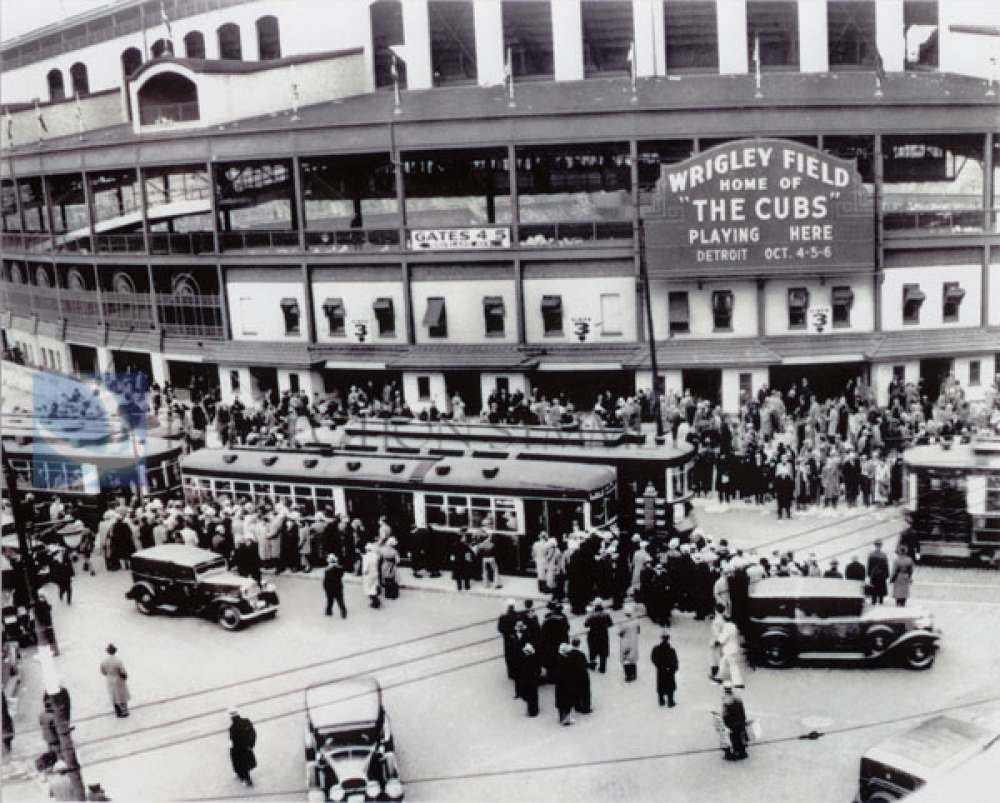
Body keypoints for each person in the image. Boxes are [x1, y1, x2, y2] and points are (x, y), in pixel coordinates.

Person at [228, 708, 257, 787]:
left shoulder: (232, 728)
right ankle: (245, 777)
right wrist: (251, 744)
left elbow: (232, 739)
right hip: (246, 747)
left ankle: (246, 779)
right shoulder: (246, 722)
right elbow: (253, 733)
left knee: (241, 765)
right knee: (247, 764)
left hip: (239, 750)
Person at [99, 644, 130, 718]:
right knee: (121, 695)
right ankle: (124, 711)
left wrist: (109, 675)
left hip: (110, 680)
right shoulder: (118, 661)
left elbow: (103, 672)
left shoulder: (104, 661)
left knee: (114, 695)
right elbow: (122, 671)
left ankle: (117, 711)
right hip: (119, 680)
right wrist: (125, 677)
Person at [713, 613, 743, 688]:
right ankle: (718, 678)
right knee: (723, 663)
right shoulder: (733, 626)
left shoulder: (727, 627)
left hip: (729, 650)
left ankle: (738, 683)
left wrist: (717, 642)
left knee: (733, 666)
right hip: (733, 648)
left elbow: (723, 637)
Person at [721, 682, 749, 761]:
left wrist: (724, 722)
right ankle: (742, 752)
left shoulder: (726, 700)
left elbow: (725, 714)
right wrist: (743, 720)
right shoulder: (737, 697)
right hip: (739, 720)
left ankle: (732, 754)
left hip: (731, 722)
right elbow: (742, 710)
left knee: (732, 737)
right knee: (739, 736)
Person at [651, 630, 679, 707]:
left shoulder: (656, 649)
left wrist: (658, 665)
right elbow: (675, 662)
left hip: (661, 671)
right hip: (669, 672)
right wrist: (673, 669)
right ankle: (670, 701)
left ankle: (661, 701)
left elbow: (653, 658)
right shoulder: (671, 650)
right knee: (670, 687)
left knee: (661, 686)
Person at [584, 600, 612, 673]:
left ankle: (592, 665)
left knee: (593, 650)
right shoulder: (606, 614)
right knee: (603, 651)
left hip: (593, 635)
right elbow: (610, 624)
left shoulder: (592, 615)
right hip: (603, 634)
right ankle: (602, 668)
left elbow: (586, 624)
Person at [497, 599, 521, 680]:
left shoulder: (503, 617)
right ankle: (517, 670)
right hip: (516, 638)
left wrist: (507, 633)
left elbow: (500, 629)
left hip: (507, 639)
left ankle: (511, 673)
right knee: (517, 654)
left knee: (509, 655)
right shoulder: (518, 615)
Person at [515, 643, 541, 717]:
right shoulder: (534, 658)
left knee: (530, 698)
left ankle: (532, 711)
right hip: (533, 680)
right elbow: (537, 669)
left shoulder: (522, 659)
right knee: (534, 696)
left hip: (526, 681)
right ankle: (534, 710)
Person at [618, 606, 640, 682]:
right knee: (633, 659)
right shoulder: (636, 622)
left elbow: (621, 634)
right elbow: (638, 631)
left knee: (626, 658)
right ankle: (634, 674)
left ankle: (628, 676)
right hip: (634, 641)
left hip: (625, 642)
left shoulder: (623, 623)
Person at [323, 554, 347, 619]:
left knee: (330, 600)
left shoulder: (327, 570)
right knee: (340, 601)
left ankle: (328, 611)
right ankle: (343, 612)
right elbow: (342, 574)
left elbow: (325, 581)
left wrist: (325, 588)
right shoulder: (339, 569)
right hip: (338, 587)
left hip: (330, 588)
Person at [867, 540, 890, 605]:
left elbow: (869, 565)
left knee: (874, 586)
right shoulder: (883, 555)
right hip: (881, 573)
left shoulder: (871, 554)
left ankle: (874, 600)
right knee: (881, 587)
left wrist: (869, 573)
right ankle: (880, 600)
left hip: (874, 573)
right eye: (878, 545)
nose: (878, 546)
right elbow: (886, 566)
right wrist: (887, 574)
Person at [361, 543, 381, 608]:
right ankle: (375, 600)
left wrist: (364, 573)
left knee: (368, 589)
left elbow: (365, 568)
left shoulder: (366, 557)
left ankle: (375, 601)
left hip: (369, 574)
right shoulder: (375, 556)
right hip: (375, 573)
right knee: (373, 587)